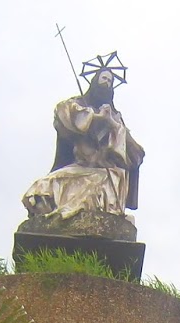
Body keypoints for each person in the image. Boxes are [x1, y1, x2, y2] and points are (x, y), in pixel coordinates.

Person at [23, 64, 145, 223]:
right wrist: (93, 118)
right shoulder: (79, 105)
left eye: (110, 81)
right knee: (40, 190)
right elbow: (63, 113)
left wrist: (113, 125)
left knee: (96, 190)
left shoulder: (116, 118)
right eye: (104, 79)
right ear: (95, 81)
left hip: (106, 173)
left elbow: (136, 154)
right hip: (80, 168)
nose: (106, 83)